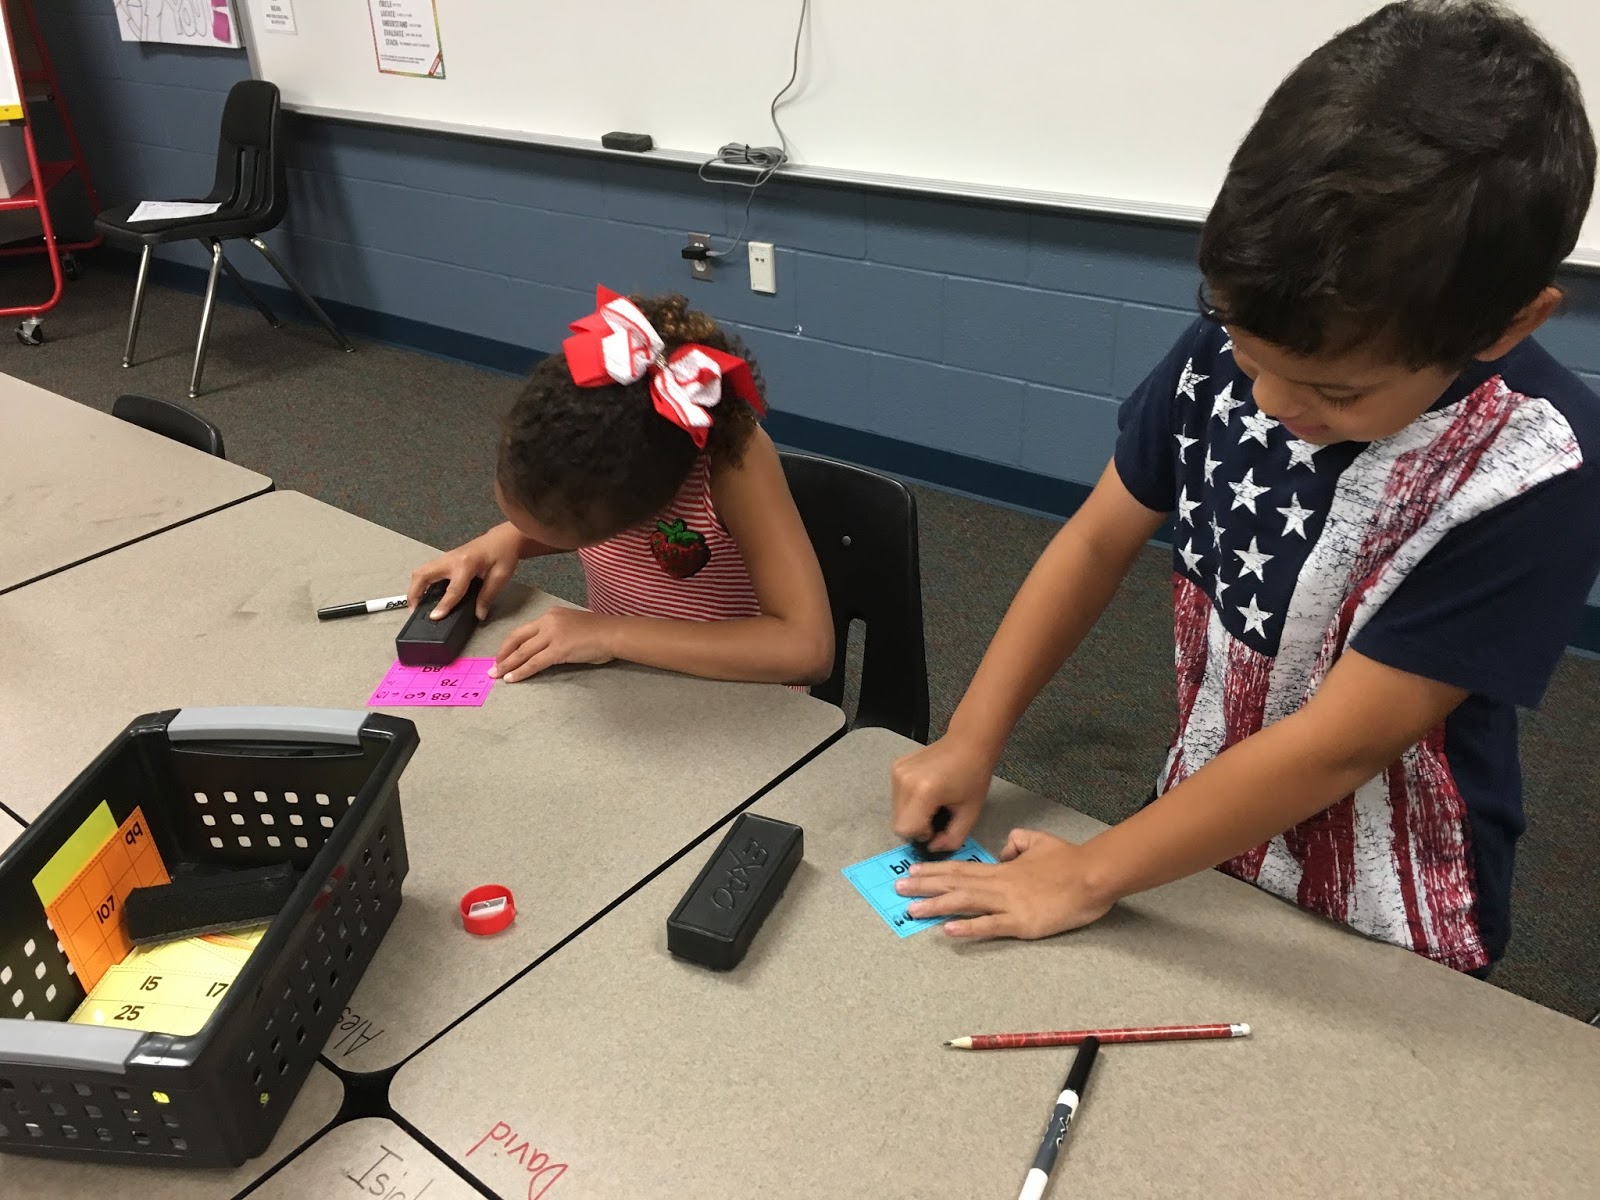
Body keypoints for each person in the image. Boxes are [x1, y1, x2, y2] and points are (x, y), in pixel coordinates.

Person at [891, 0, 1600, 976]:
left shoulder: (1533, 464)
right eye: (1245, 355)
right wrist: (973, 734)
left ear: (1509, 325)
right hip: (1194, 835)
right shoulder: (1243, 343)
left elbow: (1339, 747)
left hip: (1385, 908)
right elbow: (1096, 539)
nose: (1269, 401)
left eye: (1331, 391)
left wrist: (1088, 873)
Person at [409, 286, 834, 686]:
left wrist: (612, 635)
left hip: (738, 691)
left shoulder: (733, 464)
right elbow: (571, 518)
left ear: (647, 510)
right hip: (631, 679)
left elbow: (806, 650)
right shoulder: (607, 458)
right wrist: (503, 540)